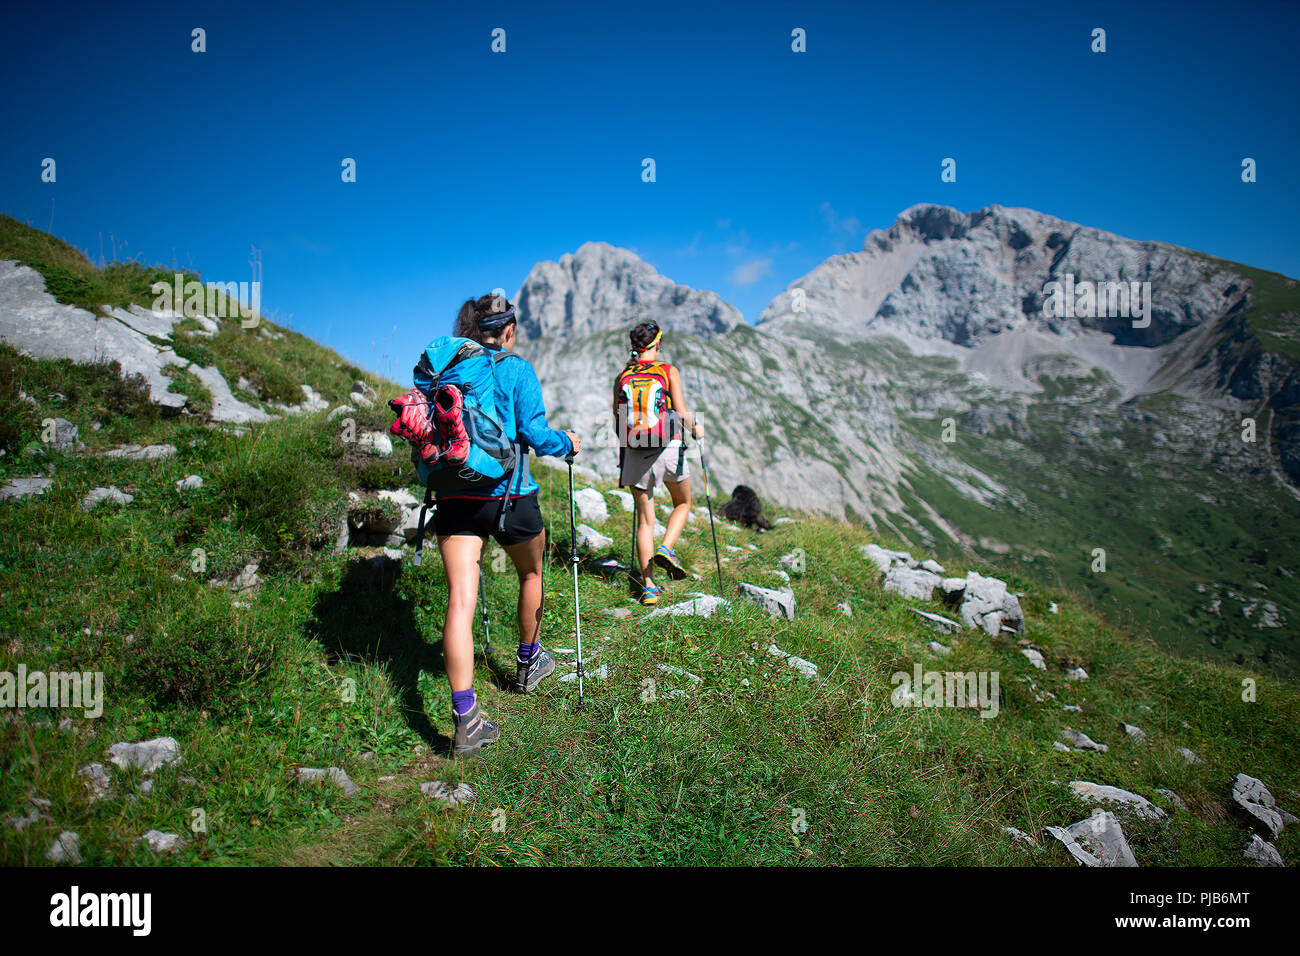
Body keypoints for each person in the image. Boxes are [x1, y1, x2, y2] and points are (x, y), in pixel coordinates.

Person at [435, 294, 579, 755]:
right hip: (510, 498)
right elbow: (537, 437)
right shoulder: (518, 370)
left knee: (460, 602)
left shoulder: (451, 370)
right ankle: (528, 661)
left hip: (456, 498)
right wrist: (568, 441)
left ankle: (466, 719)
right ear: (510, 331)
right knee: (532, 573)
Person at [613, 320, 702, 606]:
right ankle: (667, 548)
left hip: (635, 450)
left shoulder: (623, 375)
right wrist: (696, 430)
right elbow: (681, 411)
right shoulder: (667, 370)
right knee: (683, 503)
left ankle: (648, 587)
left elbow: (617, 417)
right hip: (667, 446)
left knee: (645, 521)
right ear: (657, 343)